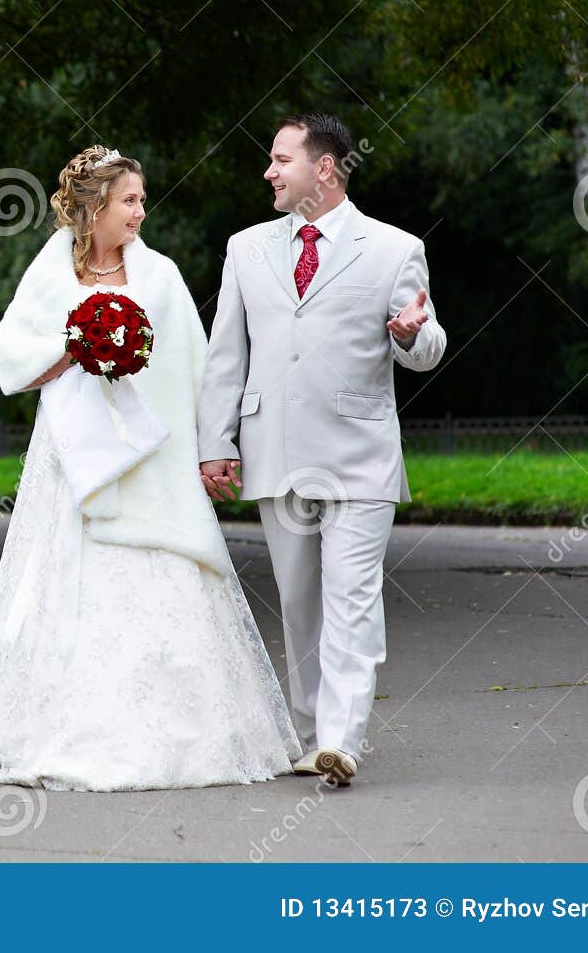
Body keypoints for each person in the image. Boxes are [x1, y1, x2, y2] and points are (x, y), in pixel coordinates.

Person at [0, 145, 301, 792]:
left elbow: (195, 367)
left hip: (149, 456)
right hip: (71, 456)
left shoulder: (159, 275)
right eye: (129, 199)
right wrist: (77, 343)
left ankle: (178, 729)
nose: (140, 210)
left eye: (140, 199)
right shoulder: (50, 272)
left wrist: (210, 447)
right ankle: (57, 727)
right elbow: (14, 352)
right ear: (95, 207)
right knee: (65, 582)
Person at [197, 113, 446, 787]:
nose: (270, 171)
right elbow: (226, 354)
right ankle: (309, 736)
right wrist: (215, 441)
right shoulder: (246, 248)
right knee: (300, 598)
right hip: (276, 447)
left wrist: (407, 334)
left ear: (324, 168)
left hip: (360, 453)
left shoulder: (394, 249)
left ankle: (342, 739)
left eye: (281, 159)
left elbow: (428, 346)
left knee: (353, 598)